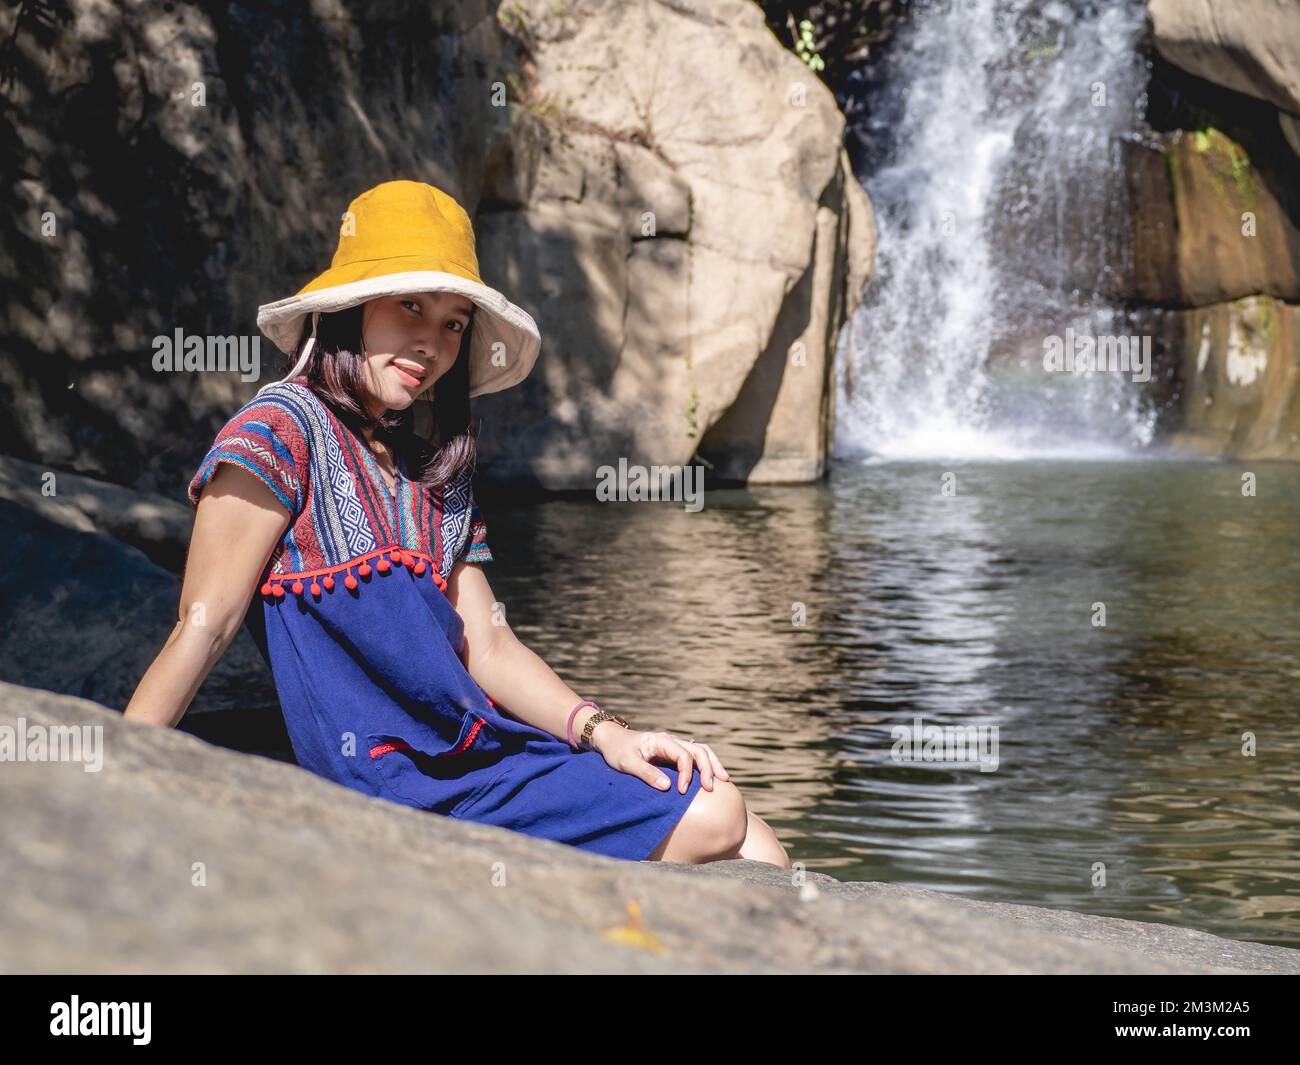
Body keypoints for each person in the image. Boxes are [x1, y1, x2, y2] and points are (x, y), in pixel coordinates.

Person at [123, 179, 790, 867]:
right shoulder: (278, 430)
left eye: (453, 322)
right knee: (716, 813)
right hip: (393, 784)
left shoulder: (431, 466)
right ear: (351, 310)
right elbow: (205, 623)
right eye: (410, 305)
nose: (431, 342)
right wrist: (114, 776)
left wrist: (605, 731)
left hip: (475, 754)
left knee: (752, 834)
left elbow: (490, 649)